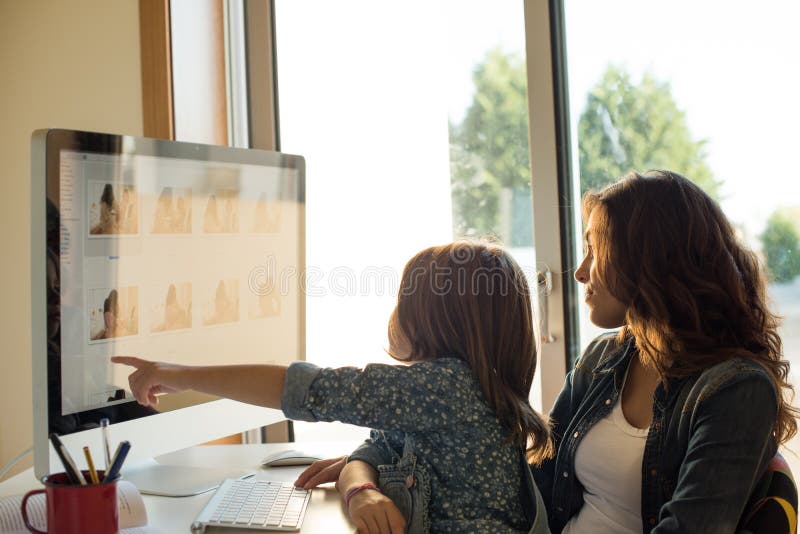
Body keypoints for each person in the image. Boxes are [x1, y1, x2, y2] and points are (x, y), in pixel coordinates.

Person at [300, 170, 799, 533]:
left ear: (649, 262)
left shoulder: (735, 390)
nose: (581, 272)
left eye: (595, 251)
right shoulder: (606, 358)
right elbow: (529, 471)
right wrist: (397, 468)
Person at [113, 241, 553, 533]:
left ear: (434, 321)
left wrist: (181, 374)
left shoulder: (444, 389)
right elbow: (375, 450)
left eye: (403, 300)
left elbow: (306, 389)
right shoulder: (461, 392)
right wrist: (359, 486)